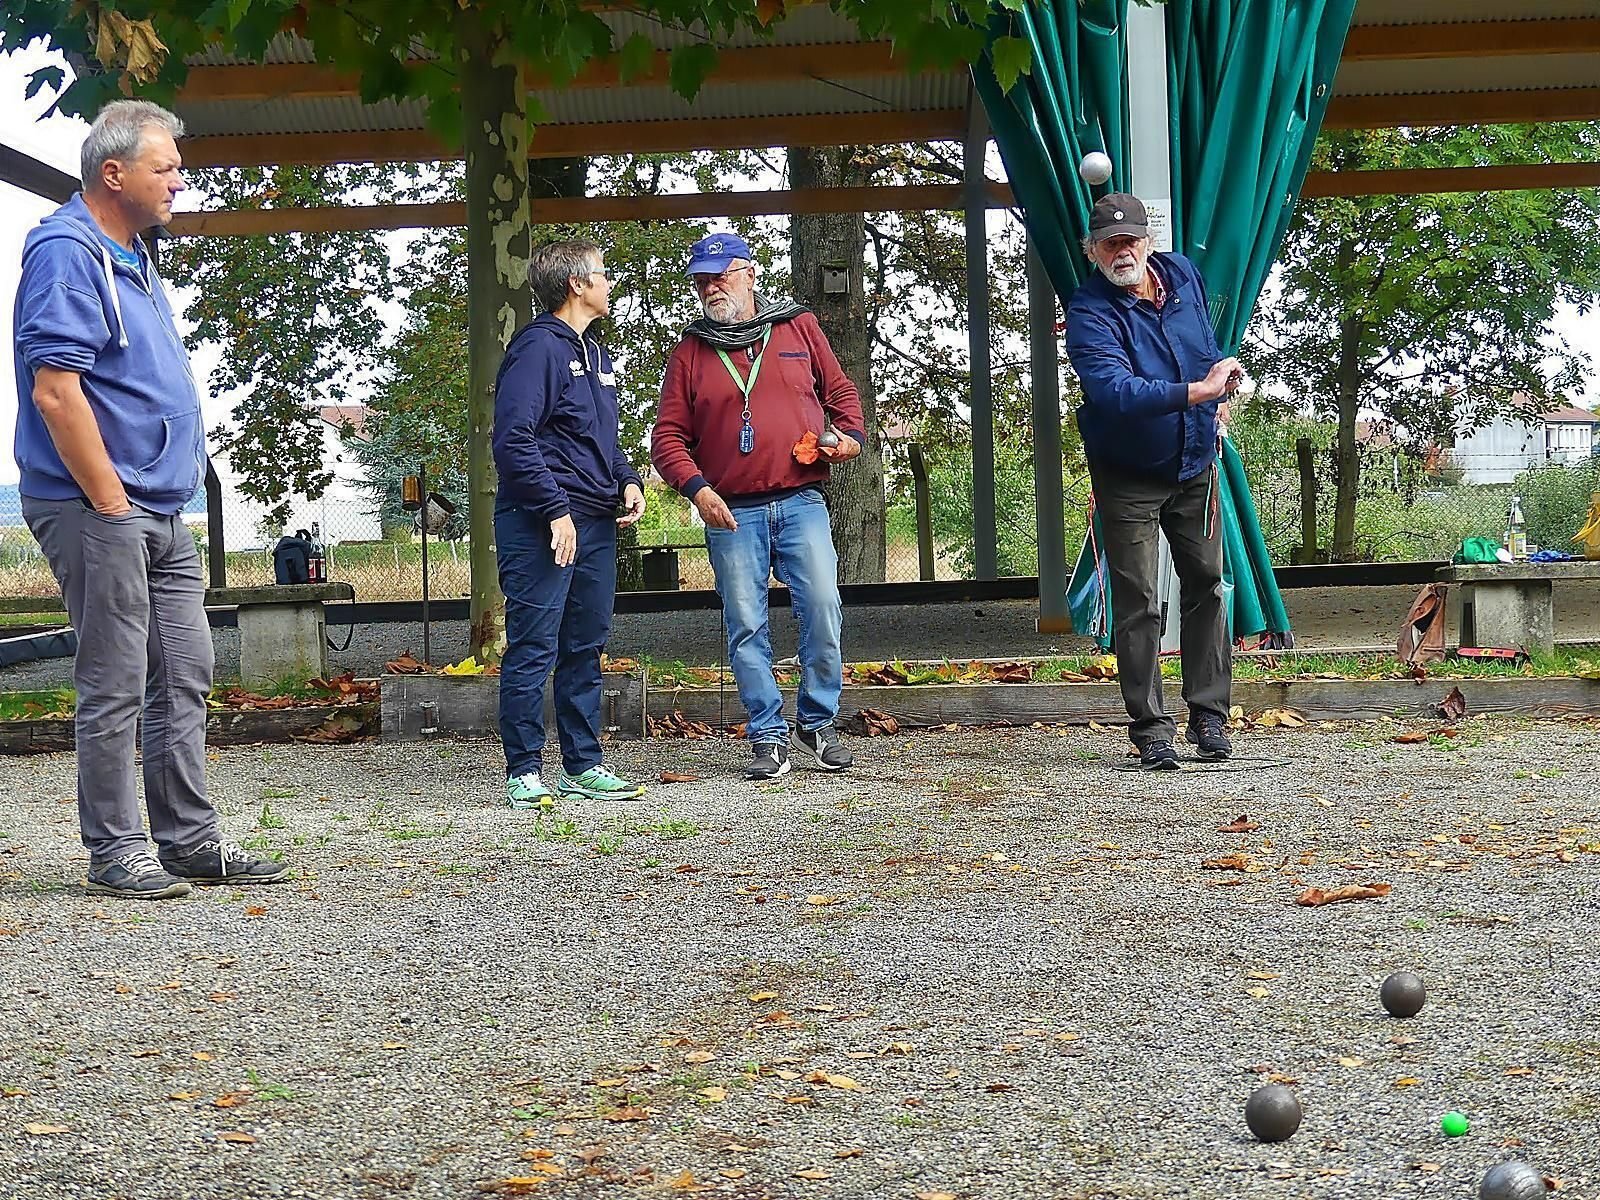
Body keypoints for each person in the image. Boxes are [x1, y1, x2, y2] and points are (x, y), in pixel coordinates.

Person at [12, 100, 289, 896]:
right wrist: (109, 504)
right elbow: (57, 393)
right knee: (116, 677)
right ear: (114, 173)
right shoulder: (69, 253)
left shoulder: (131, 254)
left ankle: (189, 841)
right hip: (102, 506)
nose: (179, 179)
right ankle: (116, 851)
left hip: (159, 508)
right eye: (164, 167)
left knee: (185, 670)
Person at [651, 232, 864, 780]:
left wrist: (846, 439)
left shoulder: (797, 326)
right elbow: (667, 439)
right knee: (745, 624)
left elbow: (841, 396)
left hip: (800, 500)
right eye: (702, 279)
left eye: (721, 274)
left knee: (823, 608)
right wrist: (698, 489)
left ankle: (817, 723)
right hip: (731, 510)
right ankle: (768, 736)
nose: (711, 286)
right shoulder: (691, 352)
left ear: (749, 273)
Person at [1065, 193, 1243, 771]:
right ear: (1092, 251)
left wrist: (1223, 379)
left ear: (1148, 240)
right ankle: (1151, 731)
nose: (1124, 252)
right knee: (1139, 602)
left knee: (1208, 586)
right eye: (1110, 244)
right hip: (1127, 476)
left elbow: (1204, 348)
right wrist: (1197, 394)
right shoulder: (1088, 311)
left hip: (1195, 462)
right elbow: (1114, 393)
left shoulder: (1182, 274)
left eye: (1132, 240)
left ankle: (1209, 719)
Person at [492, 238, 647, 809]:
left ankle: (583, 765)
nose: (610, 284)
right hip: (541, 522)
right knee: (535, 643)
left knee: (585, 643)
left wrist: (627, 478)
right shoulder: (538, 349)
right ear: (577, 285)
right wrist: (555, 510)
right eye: (603, 275)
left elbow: (598, 438)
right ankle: (524, 769)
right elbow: (513, 439)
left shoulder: (596, 354)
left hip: (596, 521)